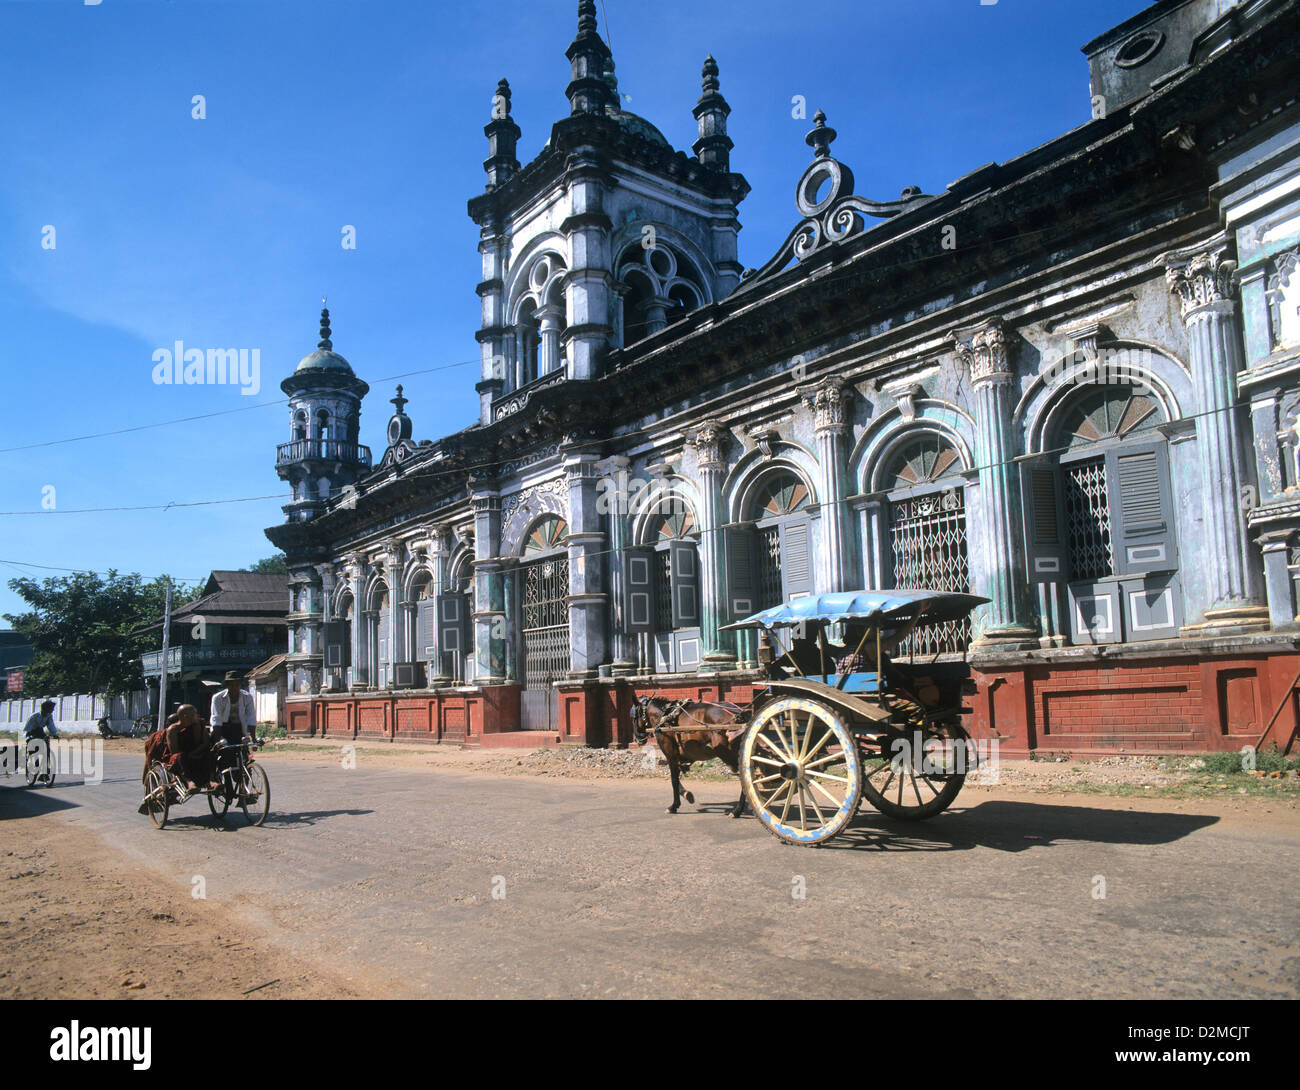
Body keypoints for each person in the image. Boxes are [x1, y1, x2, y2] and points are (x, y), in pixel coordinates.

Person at [208, 671, 257, 780]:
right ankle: (220, 780)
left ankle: (245, 790)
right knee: (224, 758)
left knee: (244, 759)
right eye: (231, 685)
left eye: (237, 684)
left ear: (240, 685)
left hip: (239, 729)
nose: (234, 687)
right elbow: (216, 720)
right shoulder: (218, 698)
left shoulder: (247, 697)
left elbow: (251, 718)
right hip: (222, 730)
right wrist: (219, 739)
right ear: (227, 685)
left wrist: (253, 738)